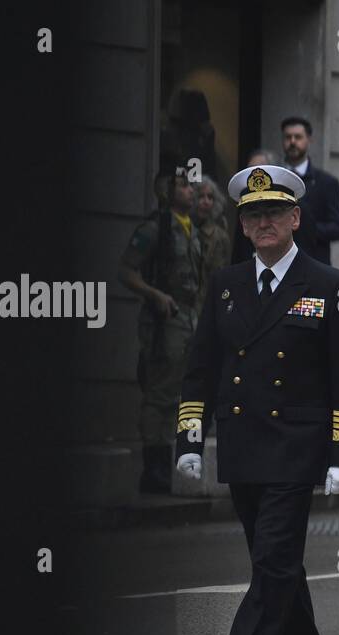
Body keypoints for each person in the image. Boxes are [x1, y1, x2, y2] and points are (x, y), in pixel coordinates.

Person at [174, 163, 339, 635]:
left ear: (295, 218)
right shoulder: (226, 286)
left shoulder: (331, 287)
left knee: (273, 560)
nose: (262, 223)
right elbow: (200, 367)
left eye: (273, 213)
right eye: (252, 215)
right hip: (242, 448)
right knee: (279, 565)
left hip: (295, 448)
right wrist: (190, 435)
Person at [118, 162, 204, 494]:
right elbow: (126, 270)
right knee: (159, 394)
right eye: (183, 185)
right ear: (166, 191)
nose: (191, 190)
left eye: (191, 185)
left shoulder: (191, 228)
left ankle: (166, 468)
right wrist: (154, 295)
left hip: (188, 318)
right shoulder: (155, 228)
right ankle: (153, 472)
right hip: (163, 322)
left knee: (179, 396)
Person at [281, 116, 339, 264]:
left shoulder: (327, 182)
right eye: (287, 137)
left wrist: (304, 227)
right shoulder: (275, 179)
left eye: (298, 137)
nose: (292, 142)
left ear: (309, 140)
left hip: (314, 264)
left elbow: (338, 228)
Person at [193, 175, 231, 279]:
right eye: (201, 196)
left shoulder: (221, 237)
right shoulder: (185, 229)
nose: (206, 202)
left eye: (210, 197)